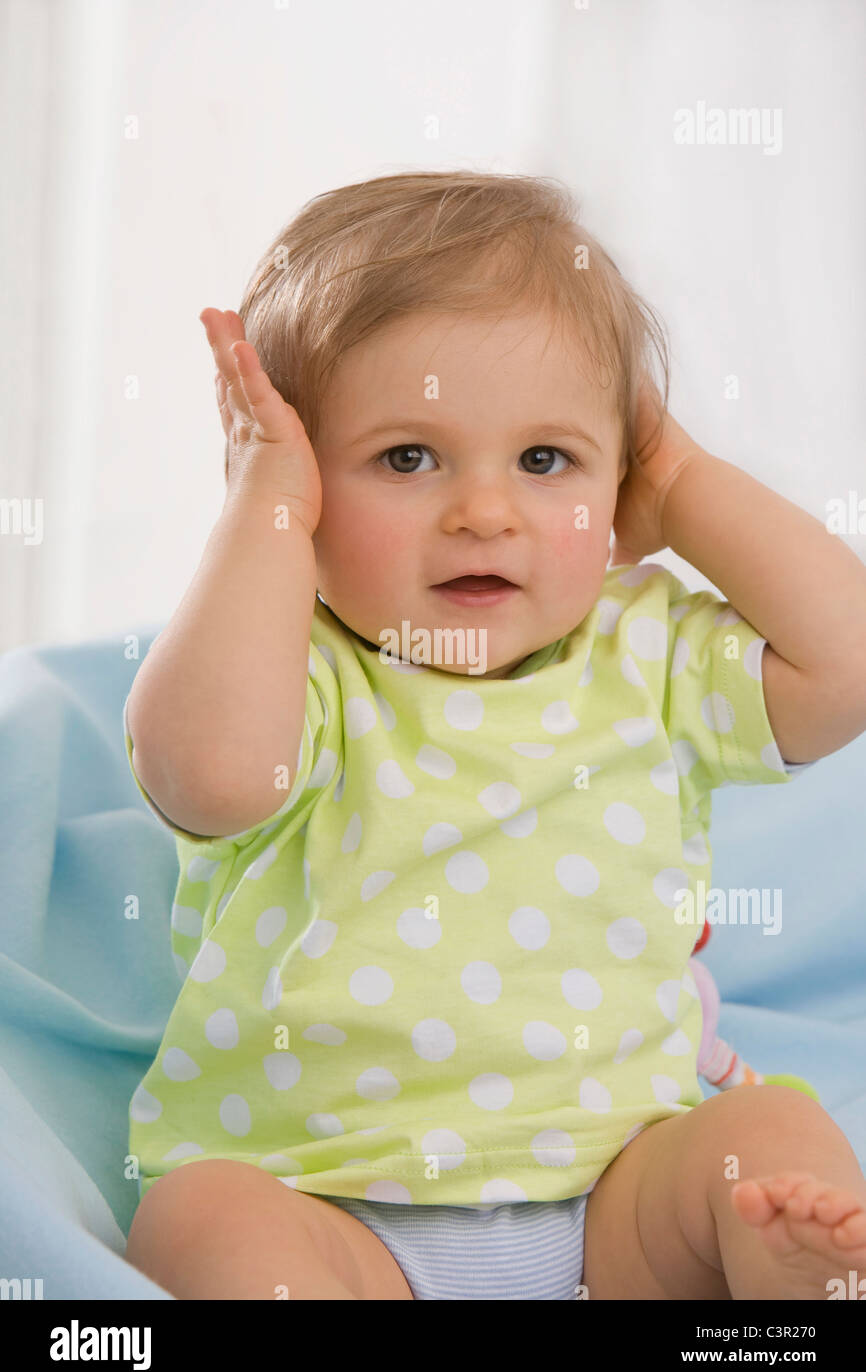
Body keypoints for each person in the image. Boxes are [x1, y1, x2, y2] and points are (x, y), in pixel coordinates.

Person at [122, 171, 866, 1300]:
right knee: (201, 1217)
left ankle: (792, 1282)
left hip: (617, 1196)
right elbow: (210, 773)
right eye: (407, 458)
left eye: (545, 459)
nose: (485, 510)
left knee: (763, 1134)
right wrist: (263, 508)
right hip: (333, 1202)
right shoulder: (303, 675)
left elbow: (845, 662)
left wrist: (682, 480)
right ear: (305, 491)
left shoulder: (646, 656)